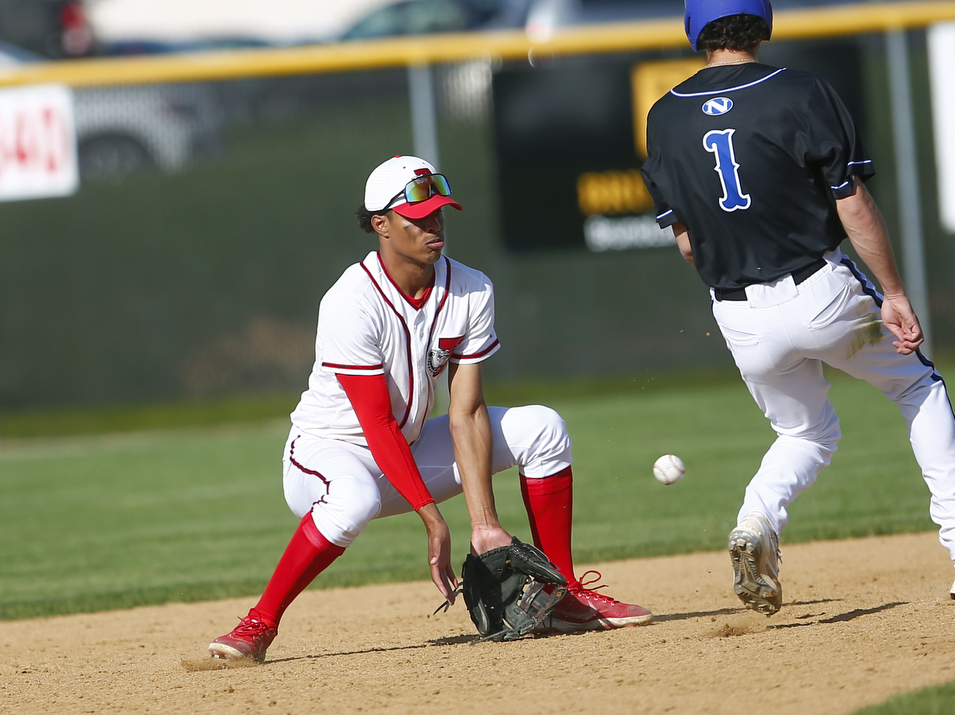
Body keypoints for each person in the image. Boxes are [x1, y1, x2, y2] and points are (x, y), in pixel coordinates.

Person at [640, 0, 955, 616]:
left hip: (740, 316)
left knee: (806, 432)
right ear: (763, 13)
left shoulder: (664, 118)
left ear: (694, 22)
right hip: (826, 296)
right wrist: (893, 292)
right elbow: (853, 205)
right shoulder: (800, 91)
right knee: (917, 385)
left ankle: (756, 521)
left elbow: (688, 242)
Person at [208, 155, 652, 661]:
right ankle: (258, 625)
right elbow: (375, 424)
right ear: (381, 224)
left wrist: (484, 523)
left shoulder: (470, 287)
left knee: (543, 428)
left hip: (412, 450)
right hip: (330, 454)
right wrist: (434, 520)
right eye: (417, 218)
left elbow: (467, 412)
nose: (433, 225)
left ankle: (565, 594)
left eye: (439, 214)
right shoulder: (351, 300)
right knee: (353, 500)